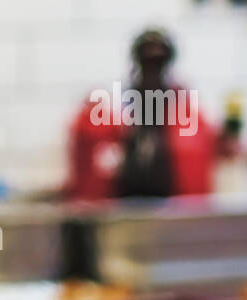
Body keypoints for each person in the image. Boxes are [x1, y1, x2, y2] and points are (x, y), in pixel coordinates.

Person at [64, 29, 216, 201]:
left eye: (157, 63)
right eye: (148, 63)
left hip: (176, 214)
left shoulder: (187, 117)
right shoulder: (113, 113)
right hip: (121, 209)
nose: (152, 72)